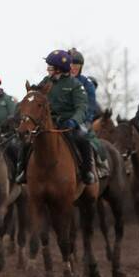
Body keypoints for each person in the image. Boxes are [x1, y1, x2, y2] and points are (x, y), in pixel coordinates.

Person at [15, 50, 95, 185]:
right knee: (27, 141)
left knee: (82, 138)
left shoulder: (75, 85)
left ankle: (86, 171)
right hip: (47, 123)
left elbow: (82, 107)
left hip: (68, 124)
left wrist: (74, 121)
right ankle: (22, 170)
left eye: (50, 67)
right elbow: (37, 99)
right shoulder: (46, 82)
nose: (48, 69)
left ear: (58, 69)